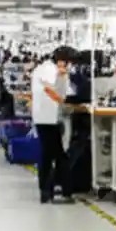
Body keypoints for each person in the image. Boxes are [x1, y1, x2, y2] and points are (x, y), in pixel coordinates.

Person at [31, 46, 78, 204]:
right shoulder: (47, 69)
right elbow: (51, 90)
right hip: (46, 117)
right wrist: (64, 101)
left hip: (49, 117)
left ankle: (52, 190)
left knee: (52, 155)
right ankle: (56, 190)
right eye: (69, 63)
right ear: (61, 61)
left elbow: (65, 91)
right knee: (54, 155)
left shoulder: (54, 70)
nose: (70, 66)